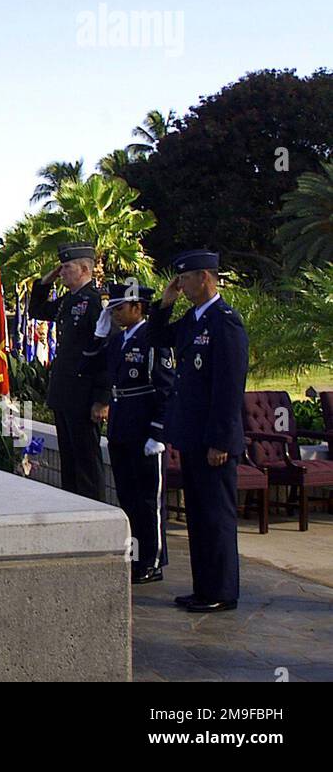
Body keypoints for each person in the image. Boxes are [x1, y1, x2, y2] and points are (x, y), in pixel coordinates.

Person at [147, 250, 249, 613]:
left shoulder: (225, 322)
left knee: (216, 517)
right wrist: (165, 302)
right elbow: (157, 338)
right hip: (192, 435)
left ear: (205, 277)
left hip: (213, 440)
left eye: (186, 278)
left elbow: (228, 388)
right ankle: (204, 588)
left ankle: (222, 590)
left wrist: (220, 440)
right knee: (199, 518)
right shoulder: (193, 319)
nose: (182, 284)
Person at [93, 282, 173, 583]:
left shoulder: (152, 340)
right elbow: (94, 366)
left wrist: (158, 432)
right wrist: (99, 336)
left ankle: (152, 561)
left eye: (120, 308)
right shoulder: (118, 340)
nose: (114, 314)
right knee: (127, 497)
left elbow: (166, 388)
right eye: (112, 309)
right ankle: (137, 557)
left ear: (138, 308)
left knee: (148, 501)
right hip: (122, 426)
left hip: (144, 429)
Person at [29, 244, 107, 499]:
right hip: (64, 391)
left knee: (86, 461)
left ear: (85, 269)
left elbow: (104, 351)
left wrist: (102, 398)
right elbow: (37, 311)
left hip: (83, 394)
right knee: (70, 460)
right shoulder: (68, 300)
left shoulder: (95, 302)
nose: (61, 272)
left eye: (66, 267)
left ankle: (94, 510)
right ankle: (73, 503)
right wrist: (44, 282)